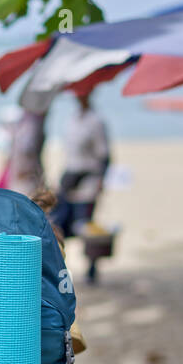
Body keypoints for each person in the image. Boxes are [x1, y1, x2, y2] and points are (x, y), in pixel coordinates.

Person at [50, 90, 111, 251]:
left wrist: (100, 180)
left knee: (84, 224)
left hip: (88, 179)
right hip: (69, 178)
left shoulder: (96, 121)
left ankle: (91, 267)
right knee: (61, 223)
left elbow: (104, 155)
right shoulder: (73, 120)